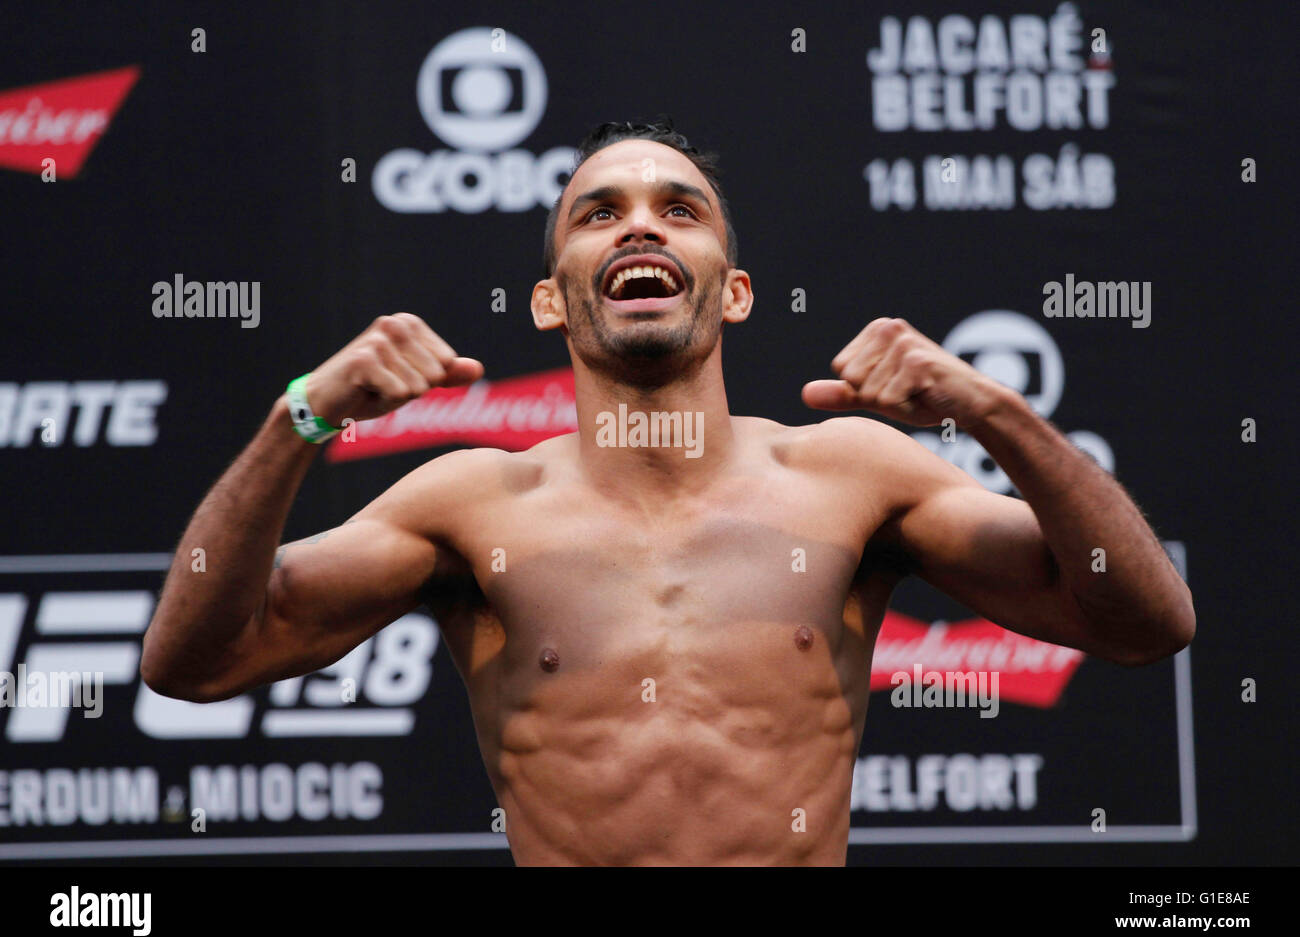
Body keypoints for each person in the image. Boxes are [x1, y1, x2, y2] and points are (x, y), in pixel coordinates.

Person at [141, 119, 1194, 865]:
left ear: (732, 289)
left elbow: (1145, 621)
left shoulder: (850, 476)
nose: (639, 226)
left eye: (677, 208)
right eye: (599, 212)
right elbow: (195, 659)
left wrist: (991, 411)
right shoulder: (469, 505)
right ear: (551, 302)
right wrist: (300, 419)